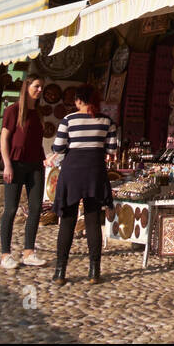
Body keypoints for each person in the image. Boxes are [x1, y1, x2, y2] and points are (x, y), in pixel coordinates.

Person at [49, 85, 117, 285]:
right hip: (94, 171)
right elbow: (112, 149)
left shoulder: (68, 120)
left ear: (78, 100)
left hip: (72, 172)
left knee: (68, 221)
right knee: (93, 221)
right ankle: (94, 271)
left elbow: (58, 147)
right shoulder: (107, 121)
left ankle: (60, 271)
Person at [0, 76, 47, 270]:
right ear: (27, 88)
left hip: (35, 164)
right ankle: (5, 254)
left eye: (41, 86)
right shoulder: (12, 111)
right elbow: (4, 139)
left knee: (35, 208)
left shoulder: (39, 113)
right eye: (36, 86)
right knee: (10, 209)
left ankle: (29, 252)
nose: (39, 90)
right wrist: (7, 164)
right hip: (16, 163)